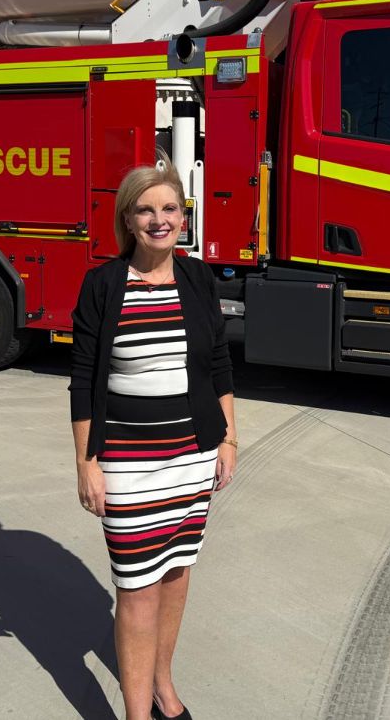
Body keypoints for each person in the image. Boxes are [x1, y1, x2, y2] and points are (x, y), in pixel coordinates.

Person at [69, 152, 237, 720]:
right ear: (128, 219)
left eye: (169, 209)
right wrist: (86, 463)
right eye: (145, 210)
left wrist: (228, 440)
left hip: (192, 458)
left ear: (184, 218)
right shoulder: (103, 285)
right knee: (138, 589)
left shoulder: (197, 277)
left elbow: (218, 364)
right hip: (129, 464)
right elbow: (84, 380)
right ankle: (138, 715)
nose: (158, 220)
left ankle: (163, 686)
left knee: (177, 575)